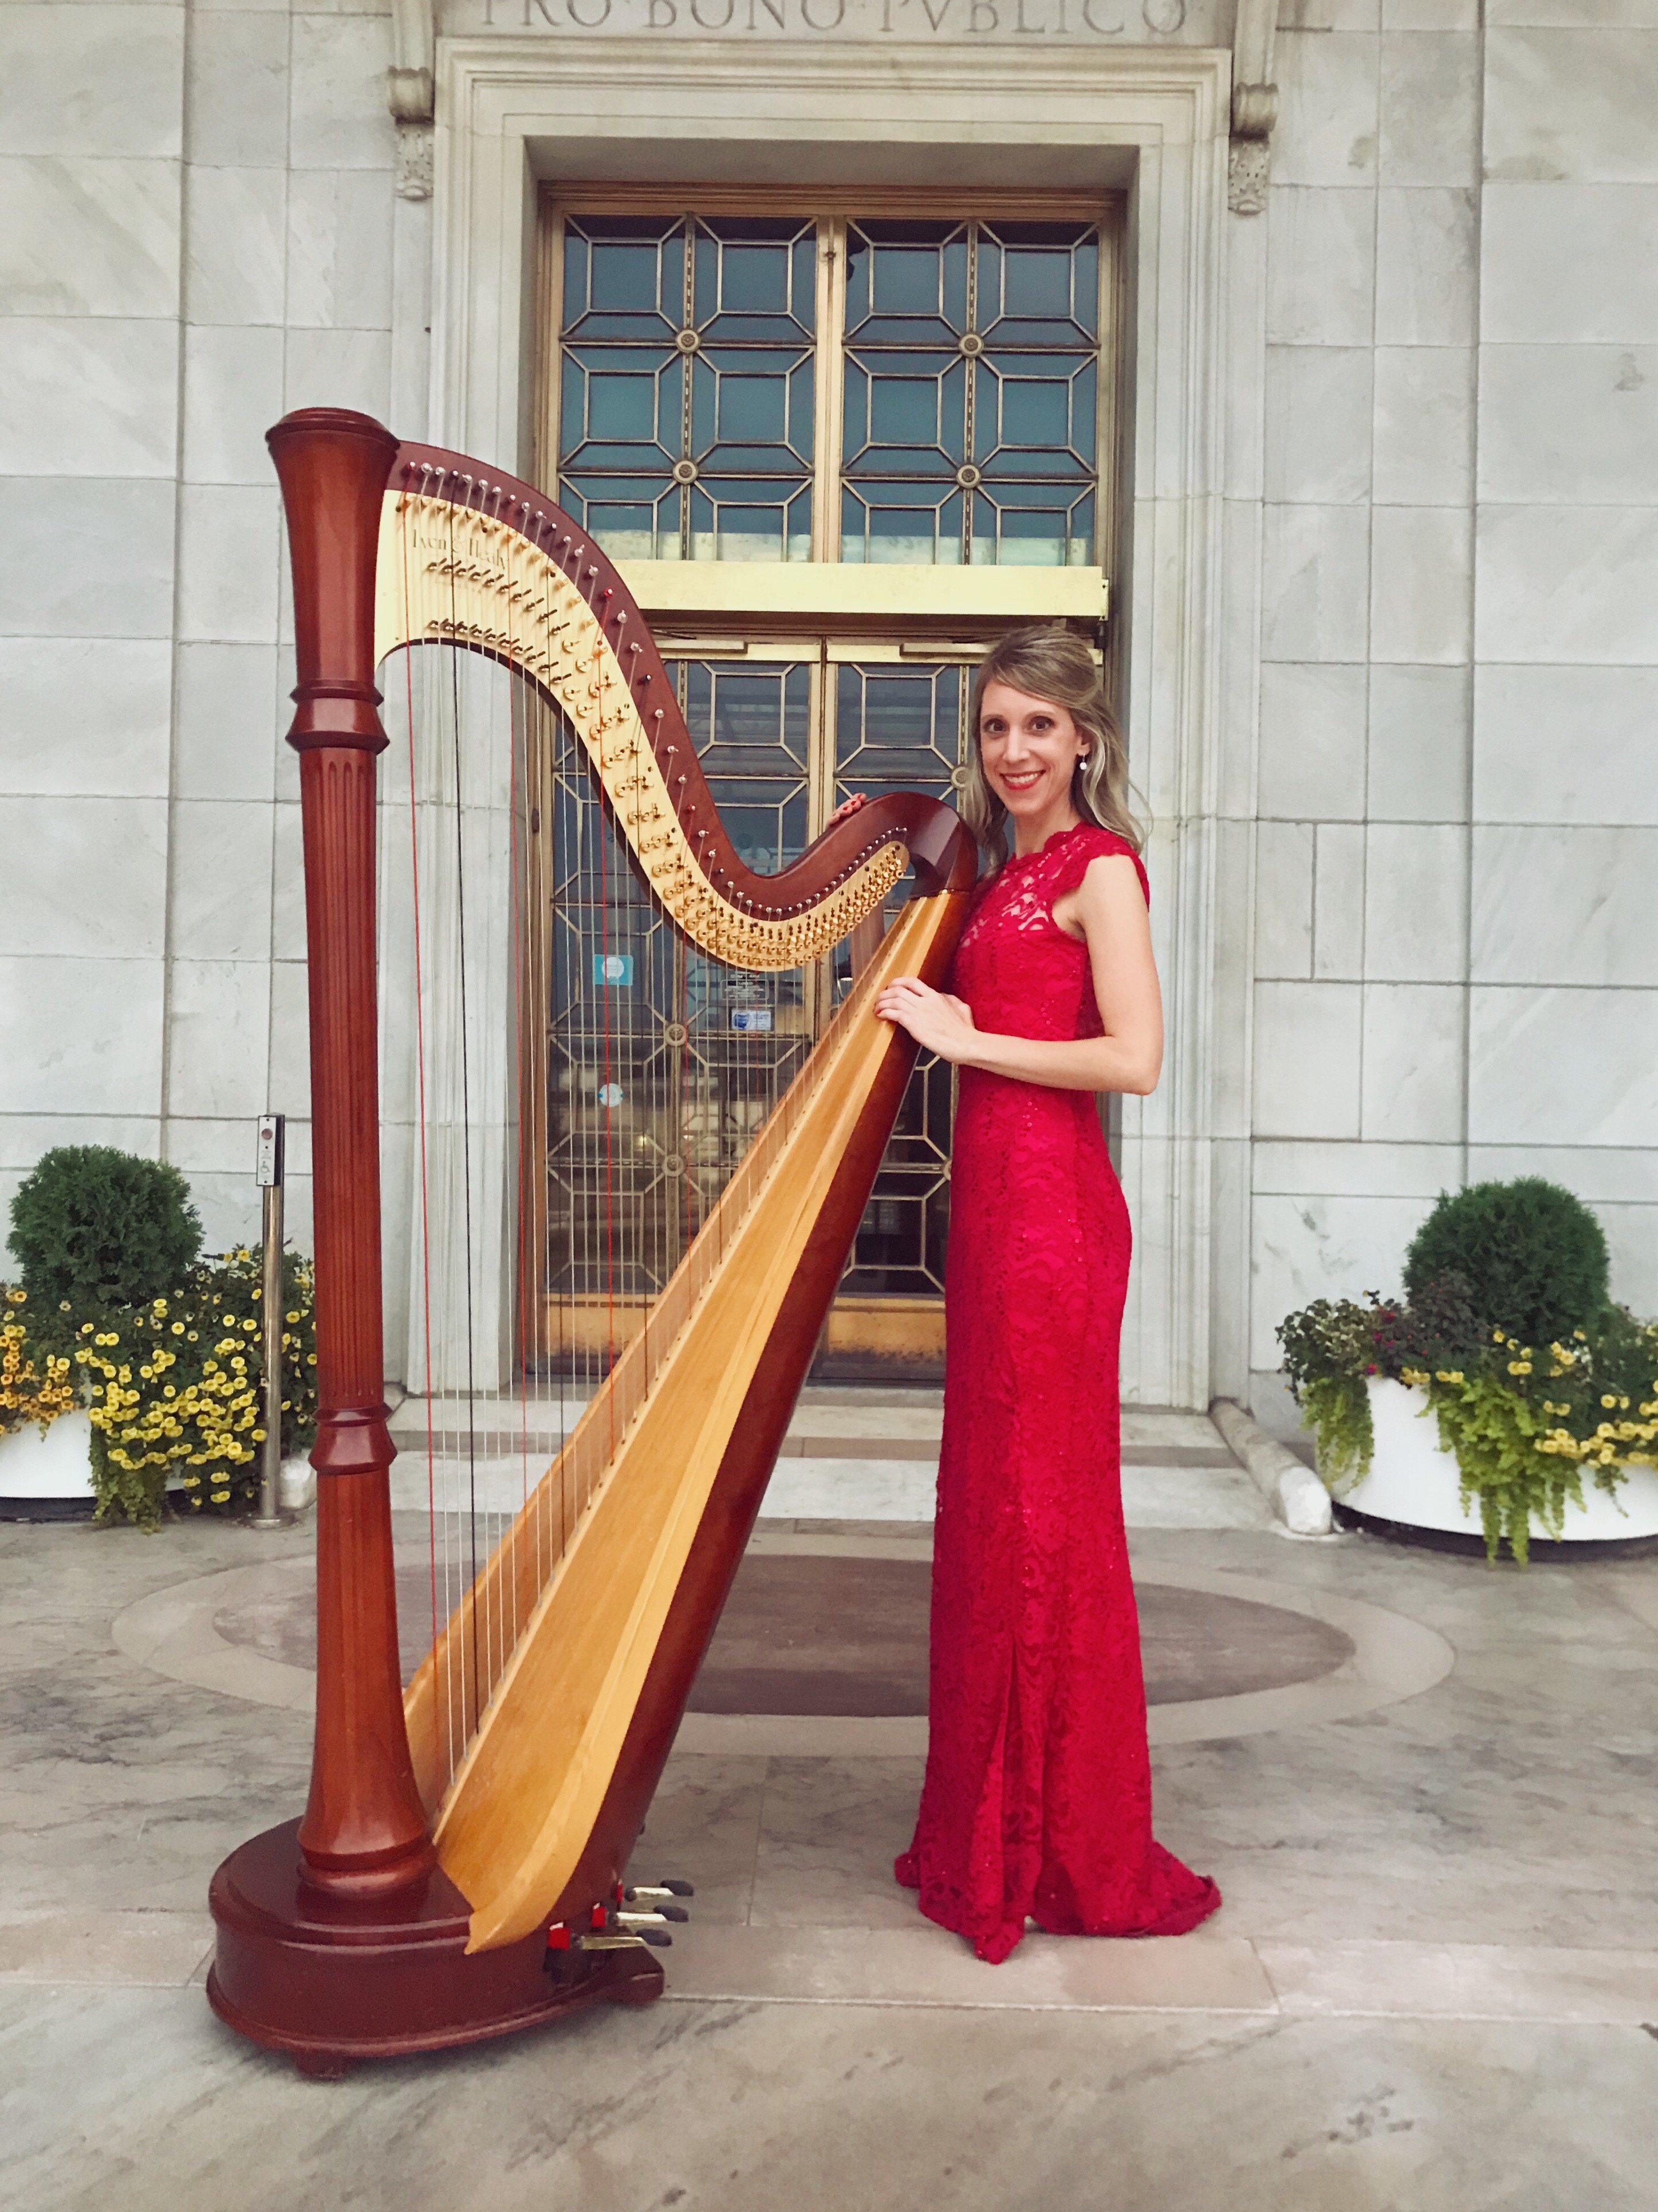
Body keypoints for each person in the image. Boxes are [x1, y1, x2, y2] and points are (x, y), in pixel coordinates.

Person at [852, 626, 1221, 1965]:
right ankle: (981, 1821)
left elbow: (1134, 1060)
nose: (1013, 750)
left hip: (1057, 1227)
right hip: (996, 1222)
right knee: (995, 1510)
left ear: (1086, 740)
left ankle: (1062, 1840)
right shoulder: (996, 872)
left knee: (1042, 1511)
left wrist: (966, 1035)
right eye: (996, 726)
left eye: (1038, 729)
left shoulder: (1100, 870)